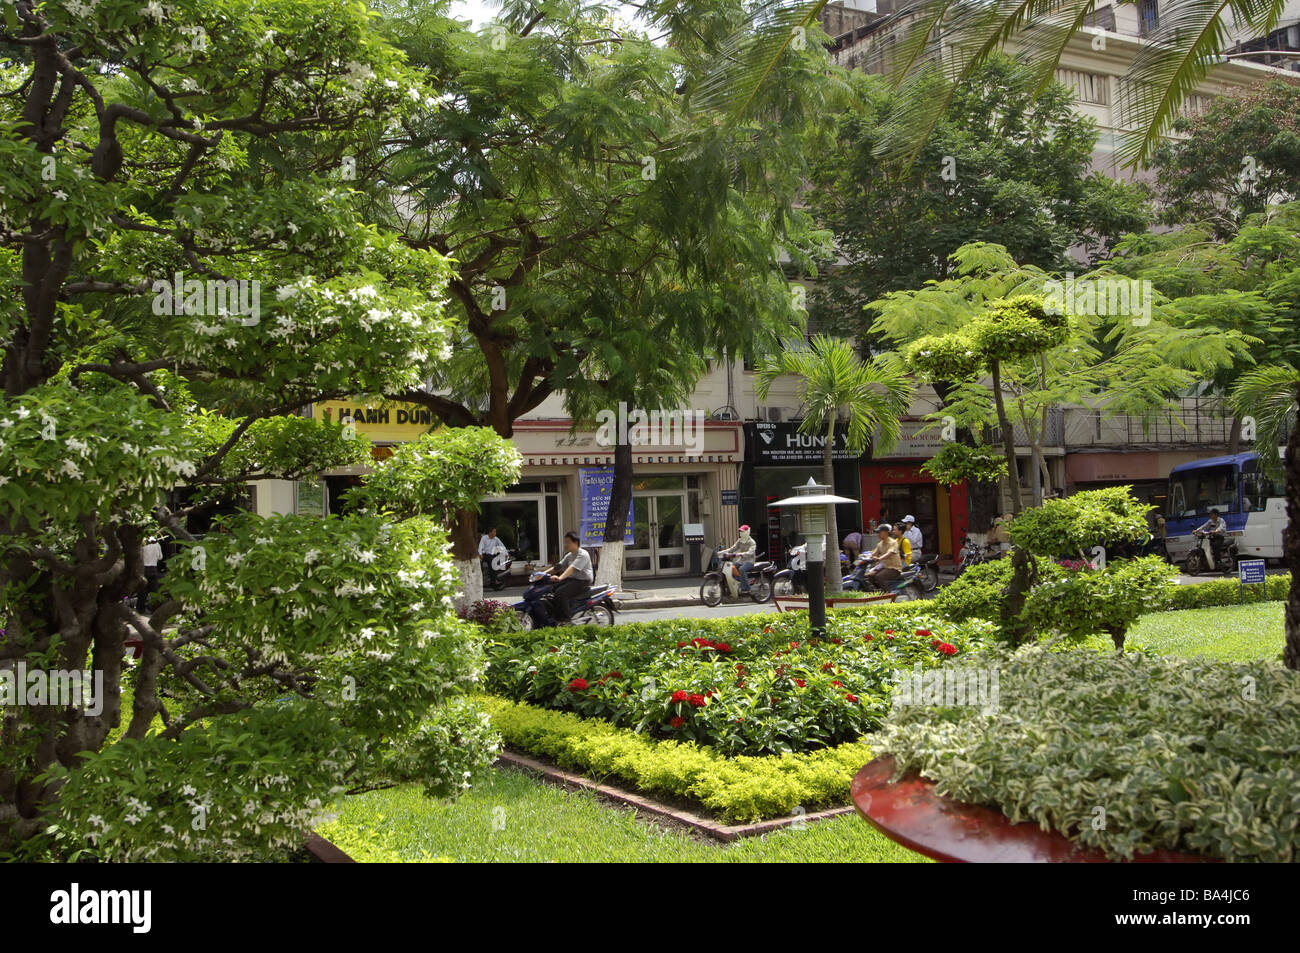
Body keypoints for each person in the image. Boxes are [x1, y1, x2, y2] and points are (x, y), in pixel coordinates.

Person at [547, 531, 593, 623]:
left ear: (575, 543)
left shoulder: (582, 554)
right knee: (551, 589)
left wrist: (560, 578)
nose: (565, 545)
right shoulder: (570, 555)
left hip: (582, 581)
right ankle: (555, 614)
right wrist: (542, 574)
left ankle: (566, 619)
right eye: (565, 542)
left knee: (561, 592)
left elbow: (572, 569)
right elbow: (558, 567)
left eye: (568, 542)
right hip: (572, 579)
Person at [716, 525, 757, 595]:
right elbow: (732, 549)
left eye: (742, 531)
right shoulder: (740, 541)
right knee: (731, 568)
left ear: (747, 532)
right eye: (740, 531)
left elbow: (750, 552)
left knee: (741, 569)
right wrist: (722, 552)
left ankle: (746, 588)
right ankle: (739, 582)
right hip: (741, 560)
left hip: (749, 561)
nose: (741, 533)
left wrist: (740, 554)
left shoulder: (752, 542)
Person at [865, 524, 902, 591]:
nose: (878, 534)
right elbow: (874, 553)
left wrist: (879, 558)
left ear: (886, 532)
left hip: (894, 568)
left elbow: (889, 553)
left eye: (880, 532)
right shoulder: (880, 544)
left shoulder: (893, 542)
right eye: (878, 532)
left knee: (879, 577)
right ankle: (878, 590)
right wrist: (866, 557)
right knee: (869, 576)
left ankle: (888, 593)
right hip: (884, 567)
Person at [138, 536, 163, 611]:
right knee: (154, 590)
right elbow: (160, 557)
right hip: (153, 568)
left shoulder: (143, 543)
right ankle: (155, 608)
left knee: (142, 589)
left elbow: (139, 556)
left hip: (144, 568)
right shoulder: (157, 544)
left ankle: (140, 608)